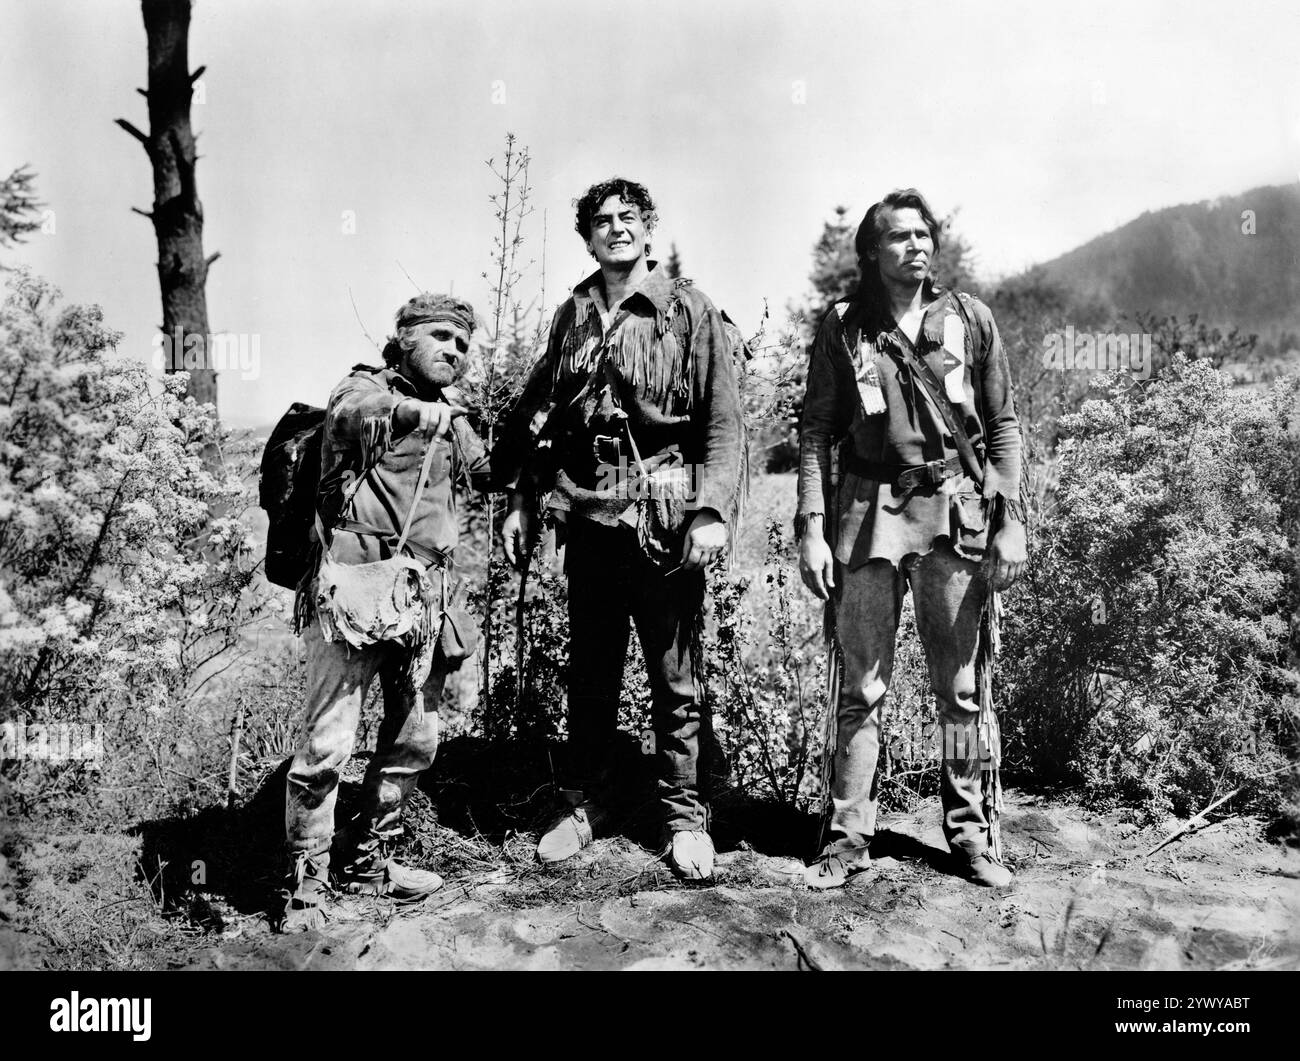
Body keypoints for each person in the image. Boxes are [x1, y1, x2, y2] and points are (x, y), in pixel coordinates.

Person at [493, 178, 746, 880]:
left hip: (663, 519)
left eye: (628, 218)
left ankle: (683, 816)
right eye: (601, 221)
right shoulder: (573, 314)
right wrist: (521, 497)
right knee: (592, 673)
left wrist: (710, 509)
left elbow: (722, 422)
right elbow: (543, 416)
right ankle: (587, 803)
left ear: (650, 226)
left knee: (675, 677)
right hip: (589, 515)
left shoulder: (687, 310)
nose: (615, 229)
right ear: (588, 236)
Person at [795, 188, 1026, 890]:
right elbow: (814, 433)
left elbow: (1005, 425)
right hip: (867, 514)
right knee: (861, 689)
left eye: (924, 233)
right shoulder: (843, 326)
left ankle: (969, 835)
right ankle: (845, 838)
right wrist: (812, 529)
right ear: (871, 251)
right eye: (898, 236)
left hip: (954, 510)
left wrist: (1011, 522)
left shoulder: (969, 320)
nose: (916, 245)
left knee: (959, 689)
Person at [278, 293, 491, 932]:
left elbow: (490, 470)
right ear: (401, 338)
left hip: (422, 598)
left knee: (413, 742)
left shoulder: (454, 417)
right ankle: (305, 885)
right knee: (327, 745)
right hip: (351, 591)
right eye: (439, 336)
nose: (452, 350)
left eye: (462, 342)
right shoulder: (363, 389)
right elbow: (354, 415)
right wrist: (419, 413)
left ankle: (372, 861)